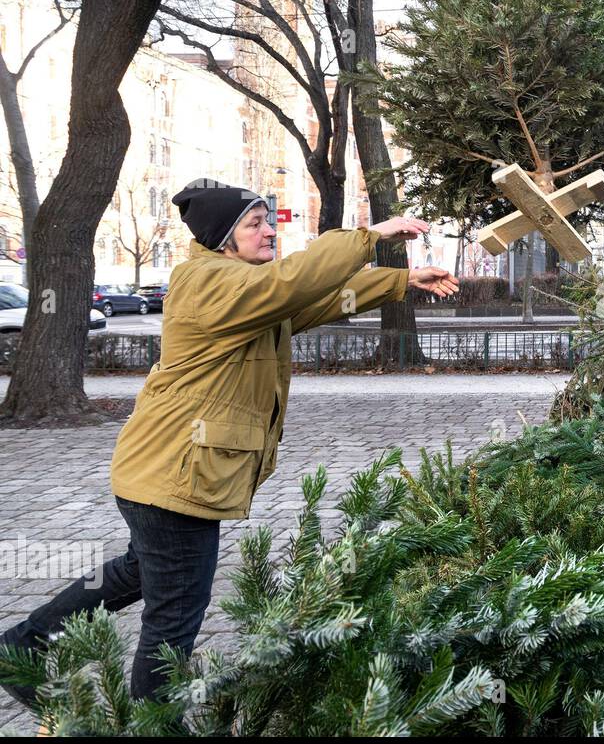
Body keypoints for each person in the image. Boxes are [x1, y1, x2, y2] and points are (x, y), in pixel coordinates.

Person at [0, 178, 459, 712]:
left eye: (267, 222)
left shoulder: (243, 289)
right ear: (223, 239)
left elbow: (315, 299)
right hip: (176, 475)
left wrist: (401, 280)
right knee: (175, 614)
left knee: (140, 573)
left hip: (164, 469)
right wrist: (369, 235)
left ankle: (23, 645)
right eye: (255, 224)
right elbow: (295, 281)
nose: (269, 232)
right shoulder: (210, 283)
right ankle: (154, 721)